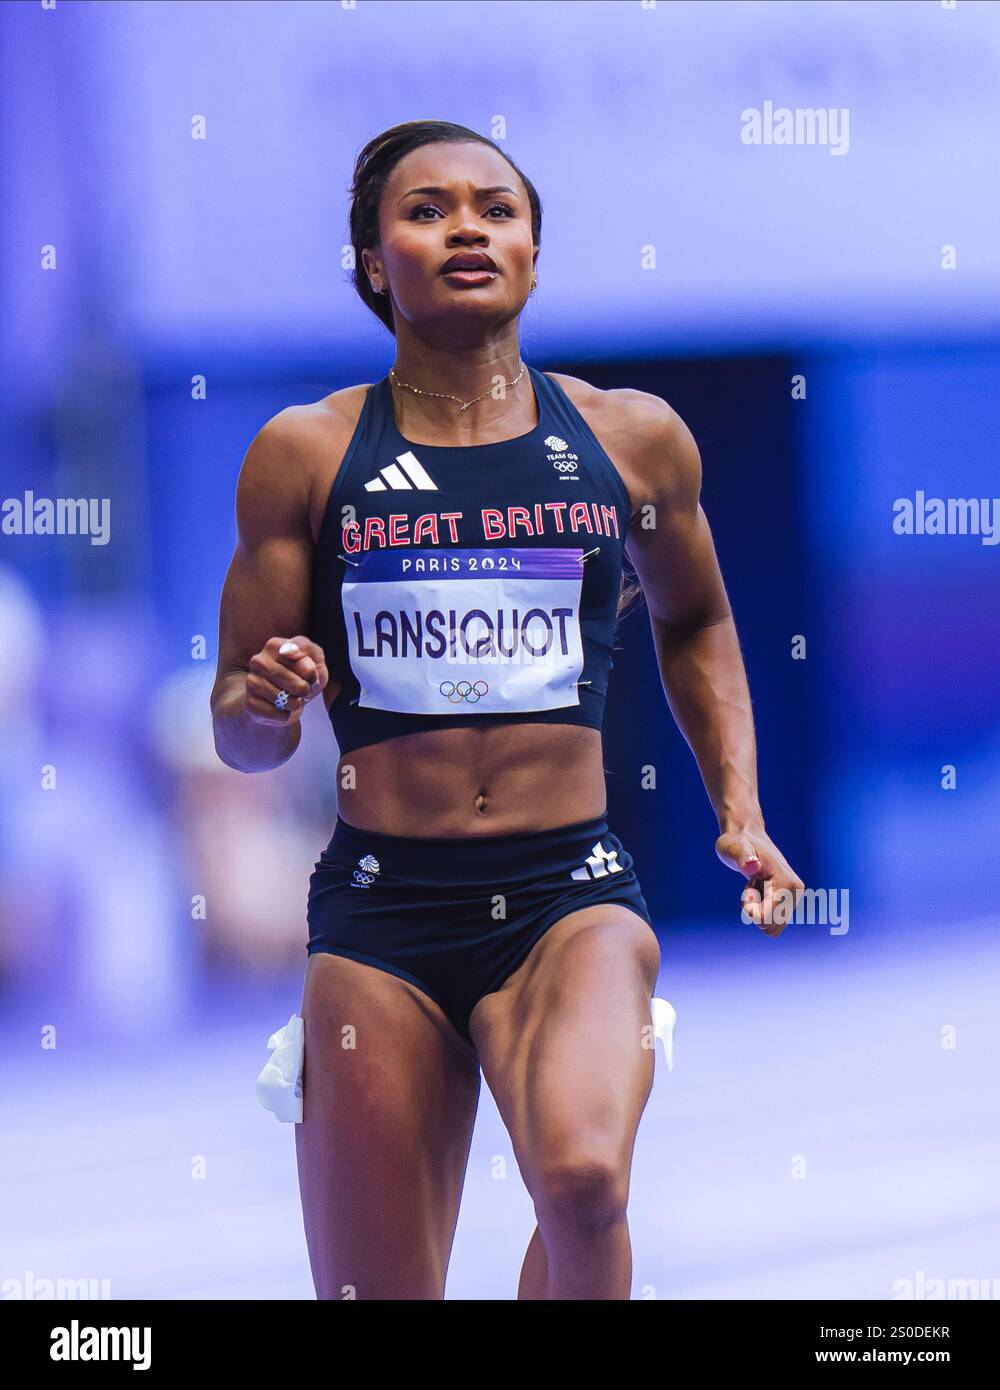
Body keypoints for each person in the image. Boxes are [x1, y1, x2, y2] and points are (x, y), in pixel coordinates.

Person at [210, 120, 804, 1301]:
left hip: (566, 894)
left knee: (583, 1182)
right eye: (427, 210)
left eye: (497, 208)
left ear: (534, 251)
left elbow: (695, 619)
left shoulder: (630, 442)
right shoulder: (306, 454)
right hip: (382, 915)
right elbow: (237, 724)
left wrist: (738, 805)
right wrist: (267, 700)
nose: (468, 227)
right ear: (374, 264)